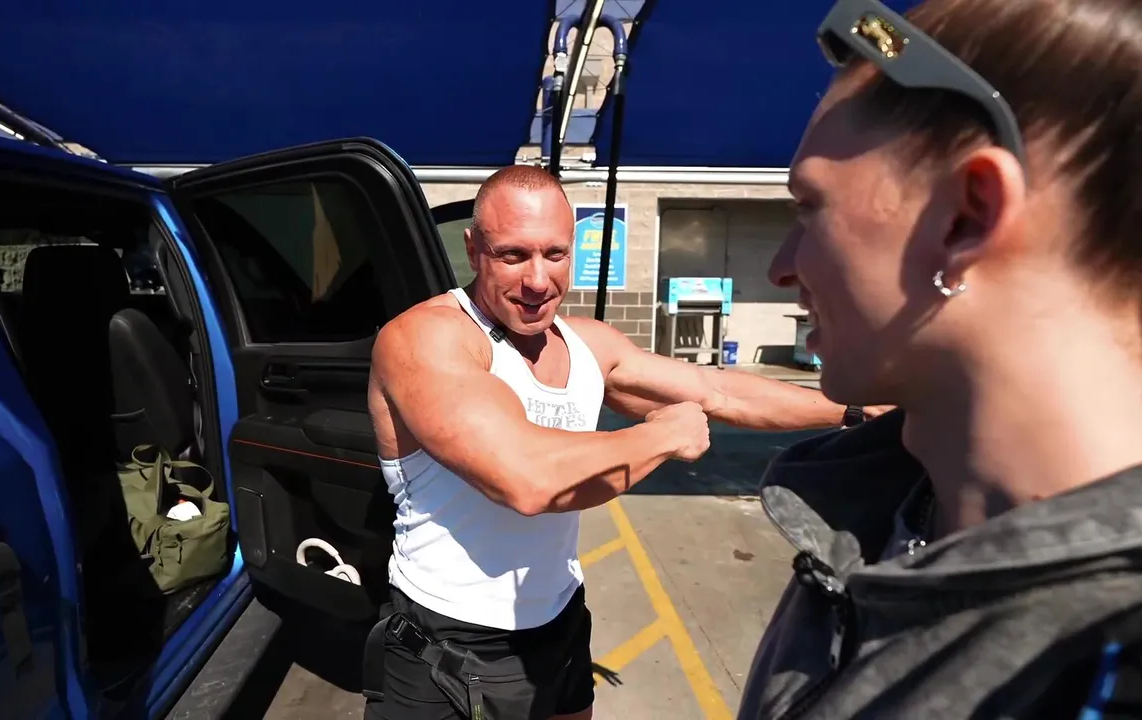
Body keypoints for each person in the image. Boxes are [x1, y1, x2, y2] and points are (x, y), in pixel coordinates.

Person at [363, 164, 888, 720]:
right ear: (473, 249)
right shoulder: (426, 338)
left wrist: (856, 409)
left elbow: (718, 390)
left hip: (559, 618)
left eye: (555, 254)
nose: (538, 280)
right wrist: (661, 435)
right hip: (449, 639)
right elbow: (525, 479)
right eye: (513, 255)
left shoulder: (589, 344)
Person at [739, 0, 1142, 717]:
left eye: (809, 207)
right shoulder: (867, 520)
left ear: (966, 216)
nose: (781, 267)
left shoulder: (1110, 669)